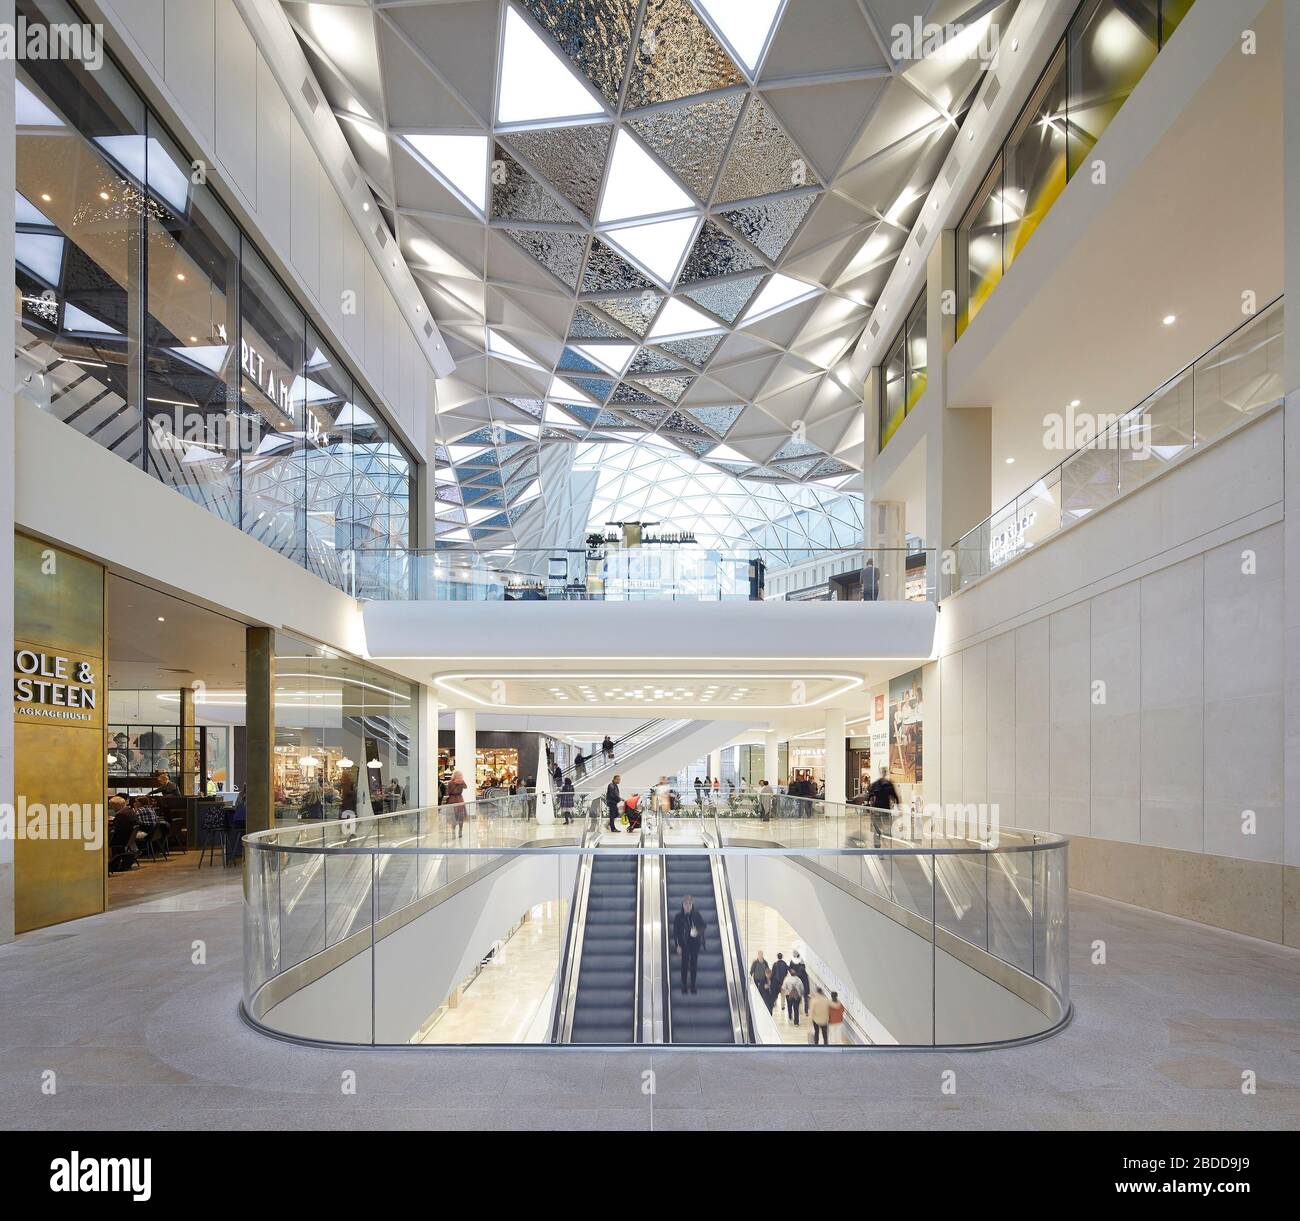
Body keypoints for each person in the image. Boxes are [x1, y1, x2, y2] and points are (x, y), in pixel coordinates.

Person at [673, 894, 706, 995]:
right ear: (682, 905)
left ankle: (692, 985)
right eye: (685, 904)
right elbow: (675, 932)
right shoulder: (678, 917)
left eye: (689, 904)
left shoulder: (697, 914)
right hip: (684, 943)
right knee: (684, 964)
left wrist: (698, 931)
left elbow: (703, 925)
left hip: (695, 943)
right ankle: (684, 985)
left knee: (694, 965)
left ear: (692, 904)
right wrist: (677, 945)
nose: (687, 906)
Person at [865, 766, 901, 847]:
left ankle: (883, 843)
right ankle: (880, 843)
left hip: (884, 809)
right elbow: (869, 796)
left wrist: (898, 806)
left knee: (885, 827)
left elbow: (895, 796)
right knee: (880, 827)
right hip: (881, 809)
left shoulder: (885, 784)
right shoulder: (883, 783)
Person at [445, 769, 469, 839]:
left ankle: (453, 832)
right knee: (460, 816)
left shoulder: (450, 783)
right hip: (460, 800)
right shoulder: (462, 782)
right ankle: (460, 832)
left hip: (452, 800)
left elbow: (448, 792)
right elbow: (466, 787)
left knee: (453, 817)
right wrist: (461, 781)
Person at [790, 951, 811, 1015]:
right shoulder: (802, 965)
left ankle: (797, 1010)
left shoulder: (792, 962)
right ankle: (806, 1011)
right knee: (805, 998)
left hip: (799, 986)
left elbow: (791, 969)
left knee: (799, 998)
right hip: (804, 987)